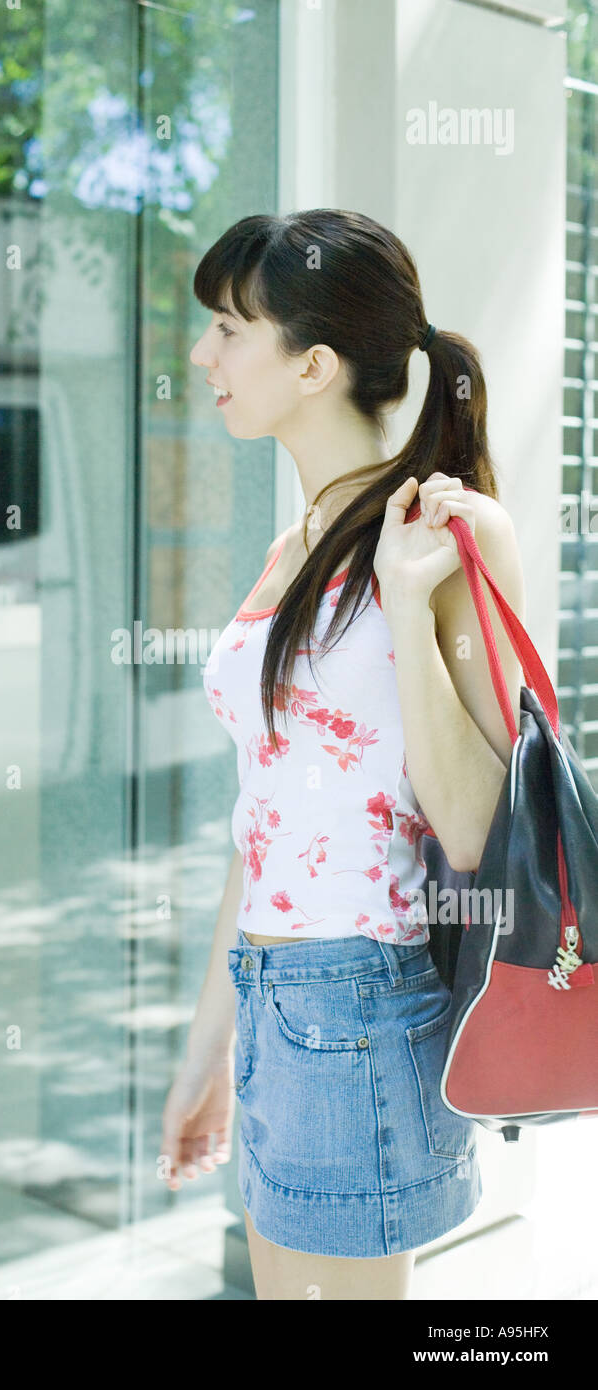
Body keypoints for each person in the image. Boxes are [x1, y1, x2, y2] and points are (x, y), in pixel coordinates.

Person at [159, 210, 525, 1300]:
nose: (202, 354)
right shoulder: (292, 546)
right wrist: (207, 1055)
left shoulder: (451, 534)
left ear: (312, 365)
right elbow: (262, 830)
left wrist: (407, 608)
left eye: (230, 329)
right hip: (270, 993)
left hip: (361, 996)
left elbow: (476, 828)